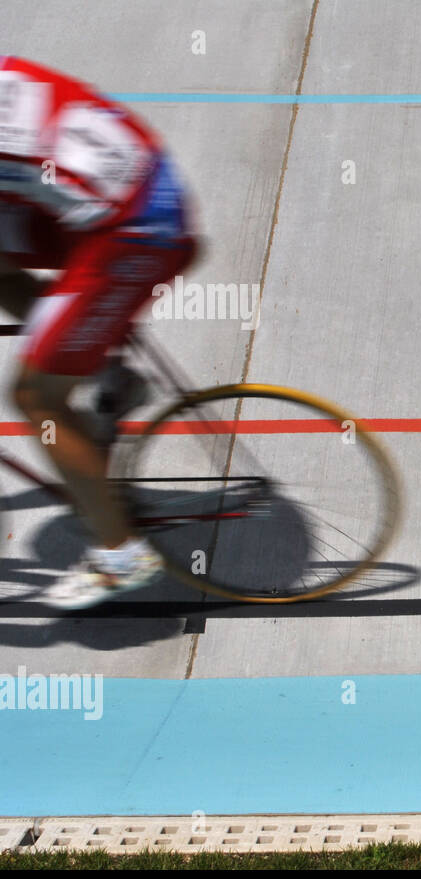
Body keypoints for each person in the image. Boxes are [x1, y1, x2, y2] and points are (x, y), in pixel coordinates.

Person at [0, 56, 198, 608]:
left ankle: (121, 555)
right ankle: (106, 371)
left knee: (34, 397)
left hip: (134, 234)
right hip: (141, 191)